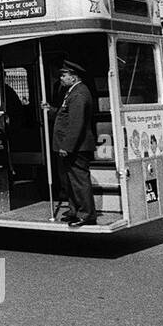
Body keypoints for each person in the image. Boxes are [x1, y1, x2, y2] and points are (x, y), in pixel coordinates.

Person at [52, 60, 98, 227]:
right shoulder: (72, 92)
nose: (61, 79)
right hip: (70, 146)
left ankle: (86, 215)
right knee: (69, 181)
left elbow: (75, 123)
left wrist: (67, 146)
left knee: (78, 181)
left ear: (73, 76)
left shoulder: (79, 94)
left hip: (76, 147)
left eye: (64, 75)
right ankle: (74, 210)